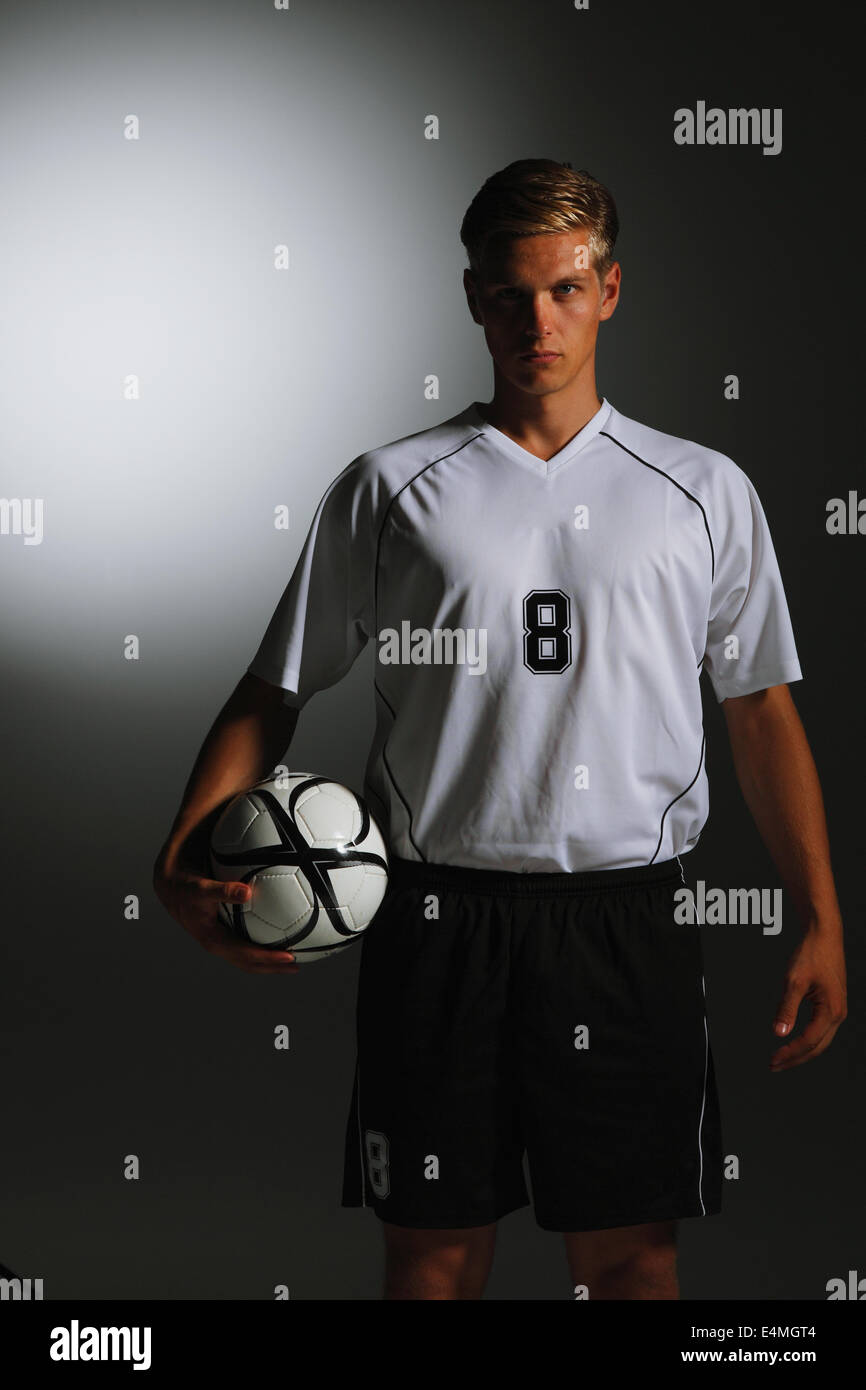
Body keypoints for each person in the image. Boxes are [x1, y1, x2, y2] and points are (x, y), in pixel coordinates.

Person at [153, 159, 847, 1300]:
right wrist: (178, 853)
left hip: (627, 920)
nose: (540, 319)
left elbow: (758, 707)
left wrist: (820, 914)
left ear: (609, 290)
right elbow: (272, 689)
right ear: (472, 298)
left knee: (629, 1260)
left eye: (566, 289)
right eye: (511, 294)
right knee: (430, 1261)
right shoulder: (389, 488)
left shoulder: (699, 488)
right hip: (437, 921)